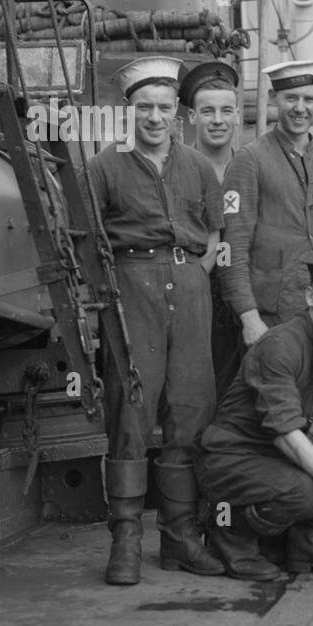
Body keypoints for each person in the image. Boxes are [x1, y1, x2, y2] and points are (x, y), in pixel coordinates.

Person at [88, 56, 225, 585]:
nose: (154, 117)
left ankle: (181, 538)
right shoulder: (103, 166)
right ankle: (125, 540)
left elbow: (215, 232)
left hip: (190, 286)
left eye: (164, 108)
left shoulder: (199, 167)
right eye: (144, 108)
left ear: (177, 114)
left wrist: (195, 272)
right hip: (130, 285)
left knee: (190, 411)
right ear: (130, 112)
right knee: (131, 414)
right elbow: (88, 239)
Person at [198, 250, 313, 581]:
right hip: (236, 457)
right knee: (306, 489)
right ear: (311, 296)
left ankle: (308, 540)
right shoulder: (280, 344)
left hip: (285, 454)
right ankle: (228, 532)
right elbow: (284, 433)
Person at [220, 60, 313, 347]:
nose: (300, 108)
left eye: (309, 99)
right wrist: (249, 317)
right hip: (270, 316)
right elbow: (232, 247)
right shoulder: (250, 159)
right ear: (274, 99)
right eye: (291, 98)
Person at [180, 60, 242, 398]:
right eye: (207, 111)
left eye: (225, 111)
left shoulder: (252, 167)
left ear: (236, 115)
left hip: (245, 299)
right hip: (195, 299)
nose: (217, 120)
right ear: (192, 117)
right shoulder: (175, 170)